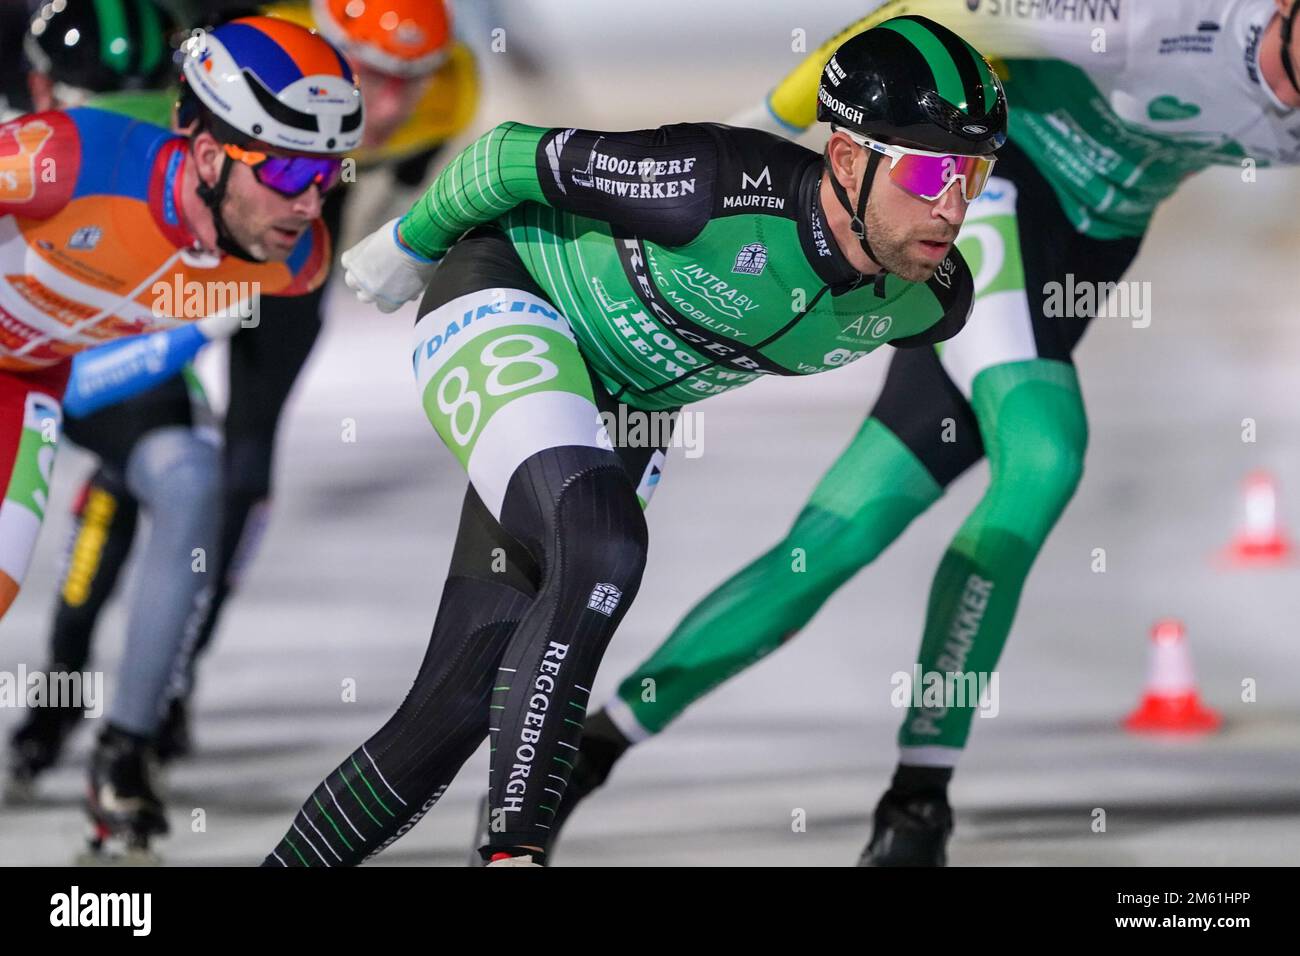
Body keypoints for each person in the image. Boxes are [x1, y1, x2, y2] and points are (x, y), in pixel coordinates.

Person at [544, 0, 1300, 866]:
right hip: (983, 196)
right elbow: (927, 12)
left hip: (1086, 256)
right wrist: (763, 124)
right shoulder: (1157, 17)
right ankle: (918, 805)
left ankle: (591, 750)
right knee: (1044, 457)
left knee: (831, 543)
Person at [262, 14, 1005, 867]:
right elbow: (509, 154)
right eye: (925, 169)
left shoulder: (927, 299)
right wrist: (410, 240)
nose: (953, 204)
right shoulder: (713, 183)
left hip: (625, 409)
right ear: (843, 157)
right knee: (603, 544)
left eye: (974, 173)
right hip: (517, 298)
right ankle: (516, 855)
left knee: (455, 710)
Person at [6, 0, 478, 804]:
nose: (311, 201)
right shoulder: (67, 155)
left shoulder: (295, 256)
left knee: (207, 472)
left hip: (50, 363)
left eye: (328, 175)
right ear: (205, 148)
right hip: (75, 315)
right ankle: (70, 686)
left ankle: (148, 705)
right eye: (294, 172)